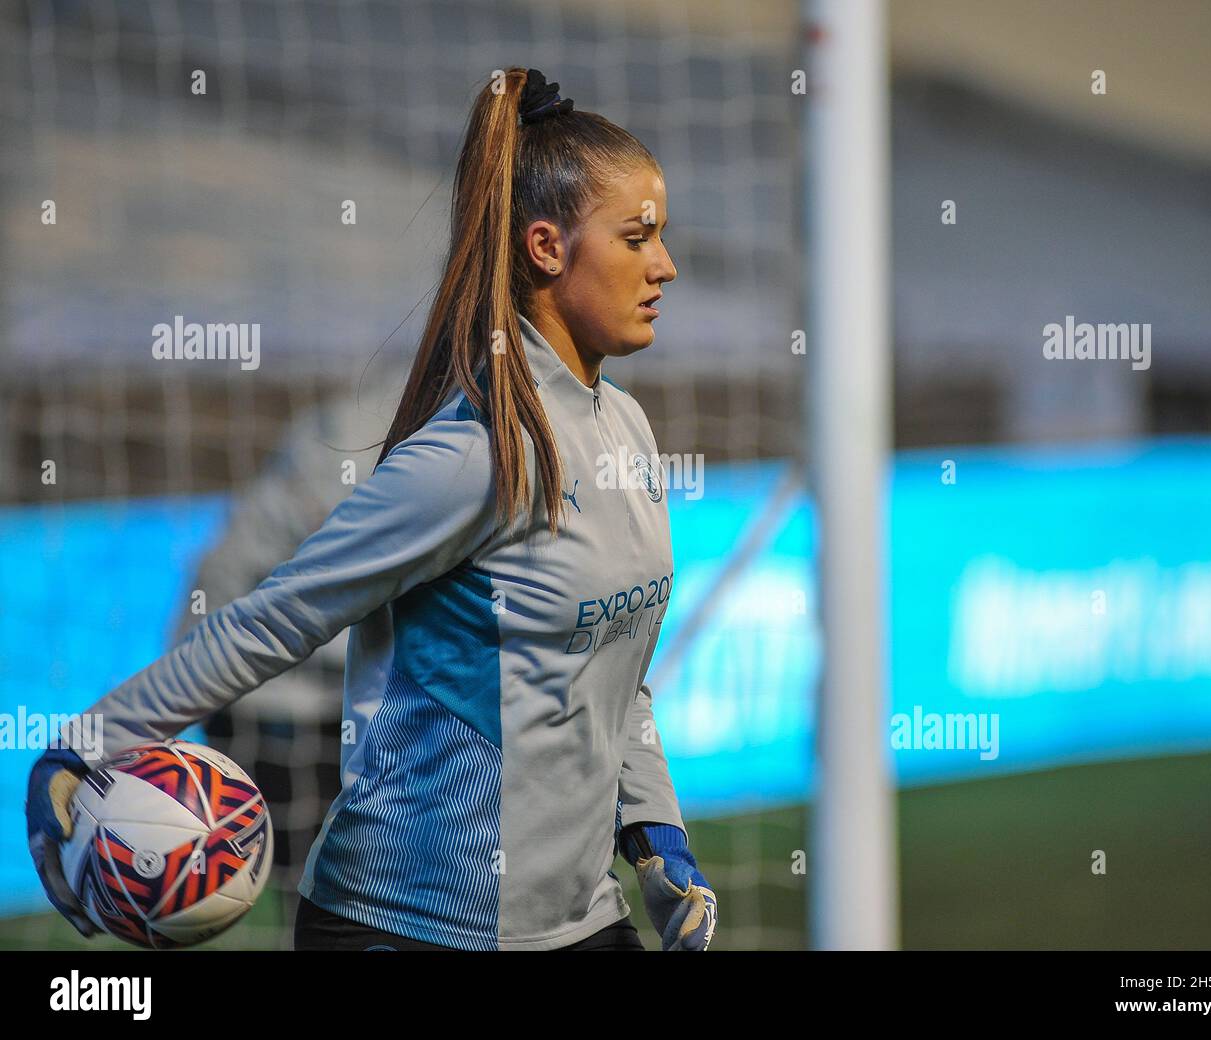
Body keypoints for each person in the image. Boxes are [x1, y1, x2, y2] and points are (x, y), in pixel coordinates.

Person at [26, 67, 717, 952]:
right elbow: (272, 619)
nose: (665, 265)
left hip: (581, 924)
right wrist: (87, 744)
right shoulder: (472, 456)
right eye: (638, 237)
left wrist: (656, 836)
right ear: (547, 247)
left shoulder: (625, 426)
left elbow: (617, 666)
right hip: (403, 927)